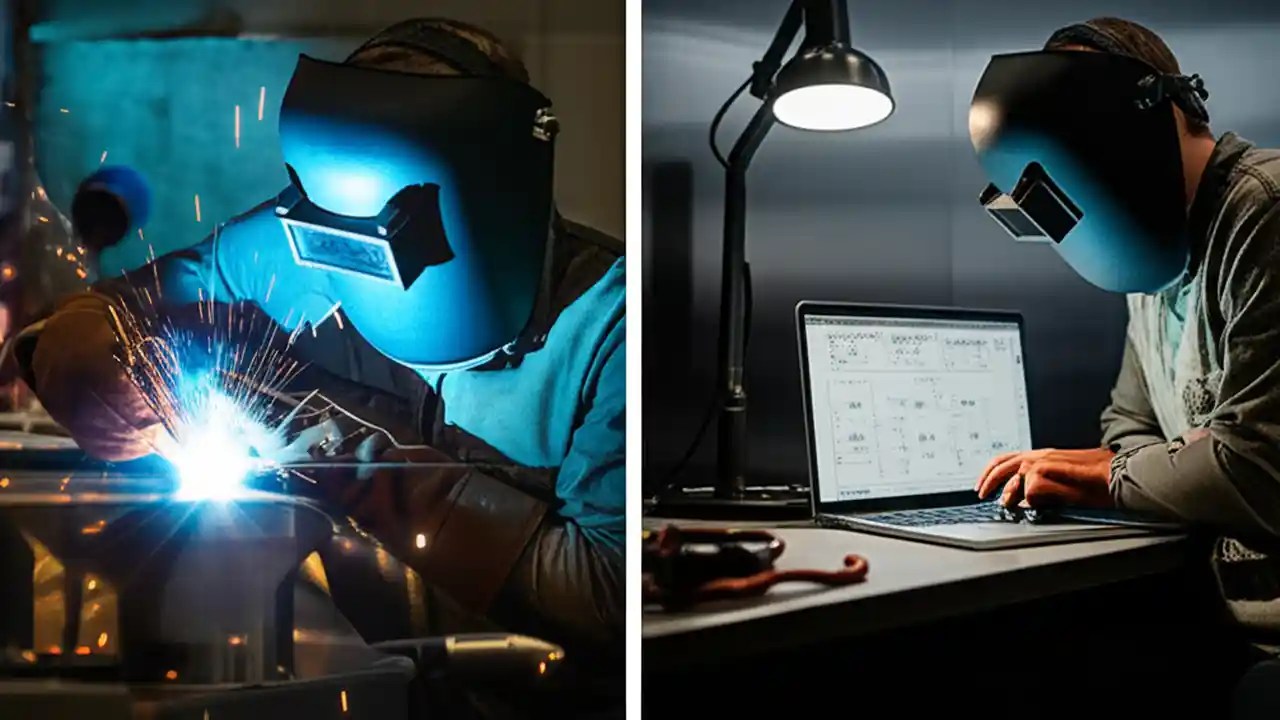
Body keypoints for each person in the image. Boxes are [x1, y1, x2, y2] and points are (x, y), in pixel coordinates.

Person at [8, 17, 624, 711]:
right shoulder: (288, 240)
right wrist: (81, 361)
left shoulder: (611, 325)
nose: (353, 254)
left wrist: (333, 446)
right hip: (347, 688)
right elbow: (105, 316)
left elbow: (610, 596)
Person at [969, 16, 1280, 708]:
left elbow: (1258, 469)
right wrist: (1185, 461)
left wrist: (1118, 476)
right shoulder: (1153, 253)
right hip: (1229, 624)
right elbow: (1127, 423)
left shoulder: (1264, 212)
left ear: (1159, 109)